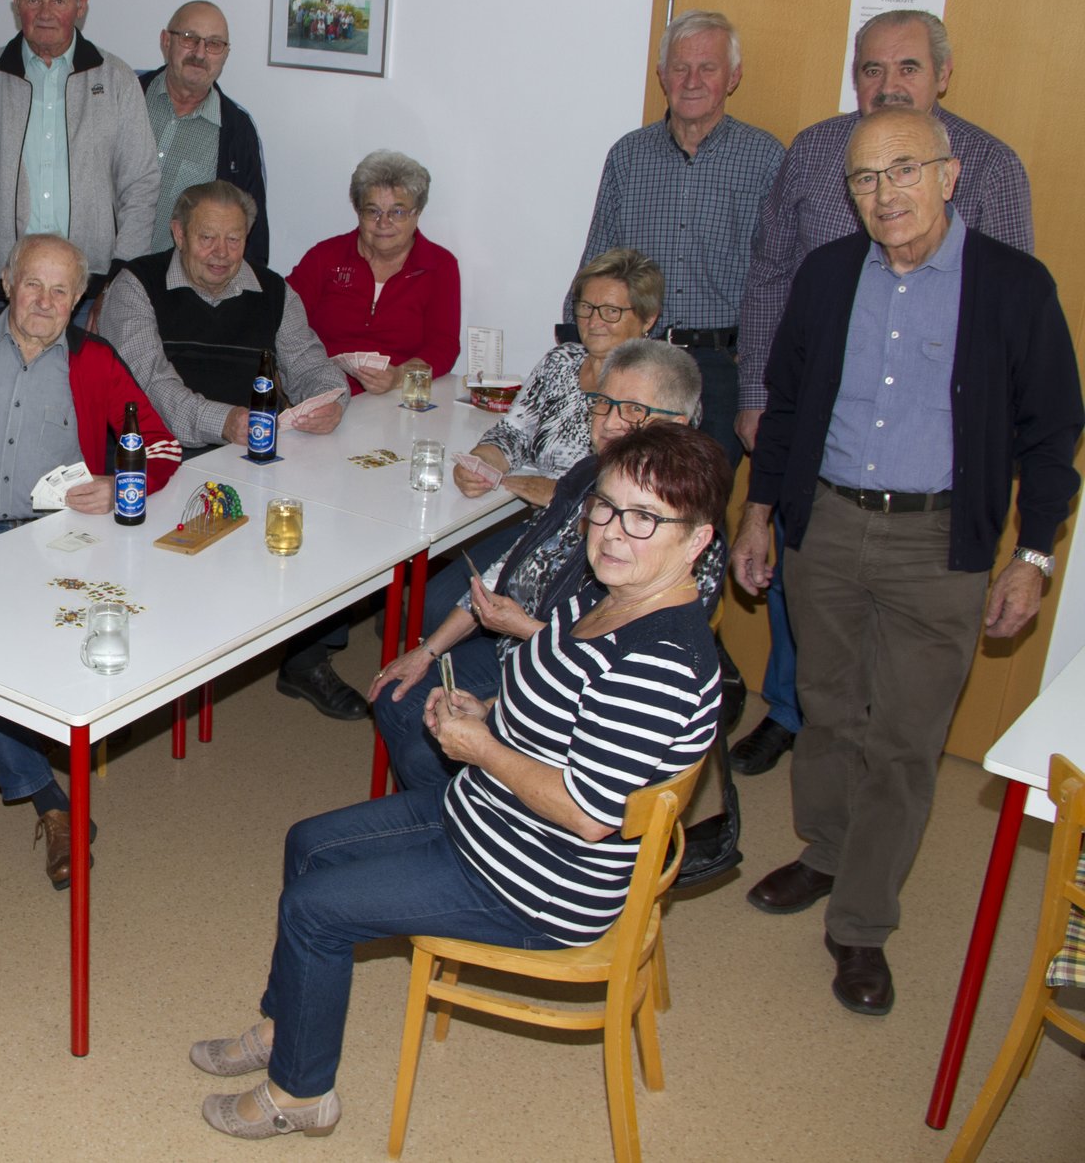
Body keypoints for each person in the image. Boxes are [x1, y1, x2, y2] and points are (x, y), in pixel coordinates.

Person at [189, 424, 727, 1140]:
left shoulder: (658, 661)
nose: (613, 532)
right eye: (605, 505)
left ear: (696, 541)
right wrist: (491, 712)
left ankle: (300, 1093)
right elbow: (562, 708)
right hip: (495, 818)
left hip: (543, 880)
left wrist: (480, 747)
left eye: (645, 517)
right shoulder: (612, 597)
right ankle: (286, 1022)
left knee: (317, 906)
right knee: (308, 843)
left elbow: (590, 813)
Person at [732, 107, 1080, 1018]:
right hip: (827, 529)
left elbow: (1053, 435)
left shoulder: (1013, 286)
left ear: (950, 174)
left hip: (942, 545)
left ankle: (862, 920)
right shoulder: (827, 274)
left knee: (907, 737)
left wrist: (1033, 555)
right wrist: (759, 513)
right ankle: (827, 849)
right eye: (864, 179)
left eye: (903, 171)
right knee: (828, 710)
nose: (884, 195)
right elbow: (791, 406)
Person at [729, 10, 1036, 777]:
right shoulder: (811, 152)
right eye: (871, 69)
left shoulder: (988, 167)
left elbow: (1007, 322)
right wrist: (758, 388)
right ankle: (795, 710)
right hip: (811, 414)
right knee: (803, 571)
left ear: (942, 73)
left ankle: (871, 746)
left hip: (921, 444)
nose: (888, 84)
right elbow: (769, 275)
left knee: (902, 632)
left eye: (906, 68)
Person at [370, 341, 744, 884]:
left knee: (427, 742)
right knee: (400, 696)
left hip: (572, 687)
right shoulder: (587, 478)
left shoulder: (681, 535)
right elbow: (507, 570)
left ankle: (483, 854)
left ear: (681, 422)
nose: (613, 423)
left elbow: (625, 654)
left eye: (634, 411)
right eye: (603, 404)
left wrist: (521, 641)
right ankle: (456, 831)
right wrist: (427, 650)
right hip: (525, 653)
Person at [0, 234, 181, 887]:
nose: (45, 301)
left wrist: (119, 483)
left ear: (79, 298)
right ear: (6, 279)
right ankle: (57, 803)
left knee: (12, 639)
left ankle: (10, 754)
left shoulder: (94, 360)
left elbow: (162, 449)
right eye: (33, 284)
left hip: (58, 541)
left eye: (61, 290)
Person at [100, 181, 359, 719]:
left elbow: (308, 360)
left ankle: (305, 661)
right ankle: (164, 655)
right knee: (208, 532)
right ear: (177, 234)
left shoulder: (274, 289)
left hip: (253, 447)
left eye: (234, 239)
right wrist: (227, 421)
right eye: (207, 238)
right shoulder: (137, 286)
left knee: (330, 520)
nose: (221, 253)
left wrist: (330, 397)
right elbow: (152, 385)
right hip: (163, 453)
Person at [576, 9, 784, 464]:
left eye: (707, 68)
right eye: (680, 67)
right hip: (636, 361)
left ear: (733, 77)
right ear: (661, 75)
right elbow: (596, 264)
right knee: (626, 484)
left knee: (700, 496)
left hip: (721, 366)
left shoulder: (766, 157)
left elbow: (778, 280)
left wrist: (759, 385)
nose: (692, 80)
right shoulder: (628, 156)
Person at [437, 248, 666, 625]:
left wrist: (539, 488)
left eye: (610, 311)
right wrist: (484, 460)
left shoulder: (657, 390)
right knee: (437, 601)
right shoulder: (561, 362)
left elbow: (631, 492)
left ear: (647, 319)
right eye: (586, 307)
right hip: (533, 523)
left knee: (451, 605)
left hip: (593, 546)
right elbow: (512, 432)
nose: (593, 321)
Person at [0, 0, 159, 308]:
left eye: (59, 0)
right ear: (16, 0)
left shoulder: (117, 81)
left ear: (81, 3)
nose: (45, 13)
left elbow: (140, 185)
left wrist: (120, 279)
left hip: (90, 291)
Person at [287, 149, 460, 394]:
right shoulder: (325, 257)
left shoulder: (439, 265)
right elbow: (283, 321)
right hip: (320, 393)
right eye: (373, 211)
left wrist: (400, 376)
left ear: (417, 213)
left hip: (396, 400)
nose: (383, 223)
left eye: (397, 212)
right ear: (358, 211)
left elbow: (444, 345)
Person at [138, 0, 270, 267]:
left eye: (213, 44)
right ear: (166, 41)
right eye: (189, 38)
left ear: (225, 55)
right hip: (95, 282)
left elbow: (251, 237)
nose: (200, 53)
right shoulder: (125, 97)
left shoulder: (237, 132)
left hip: (177, 294)